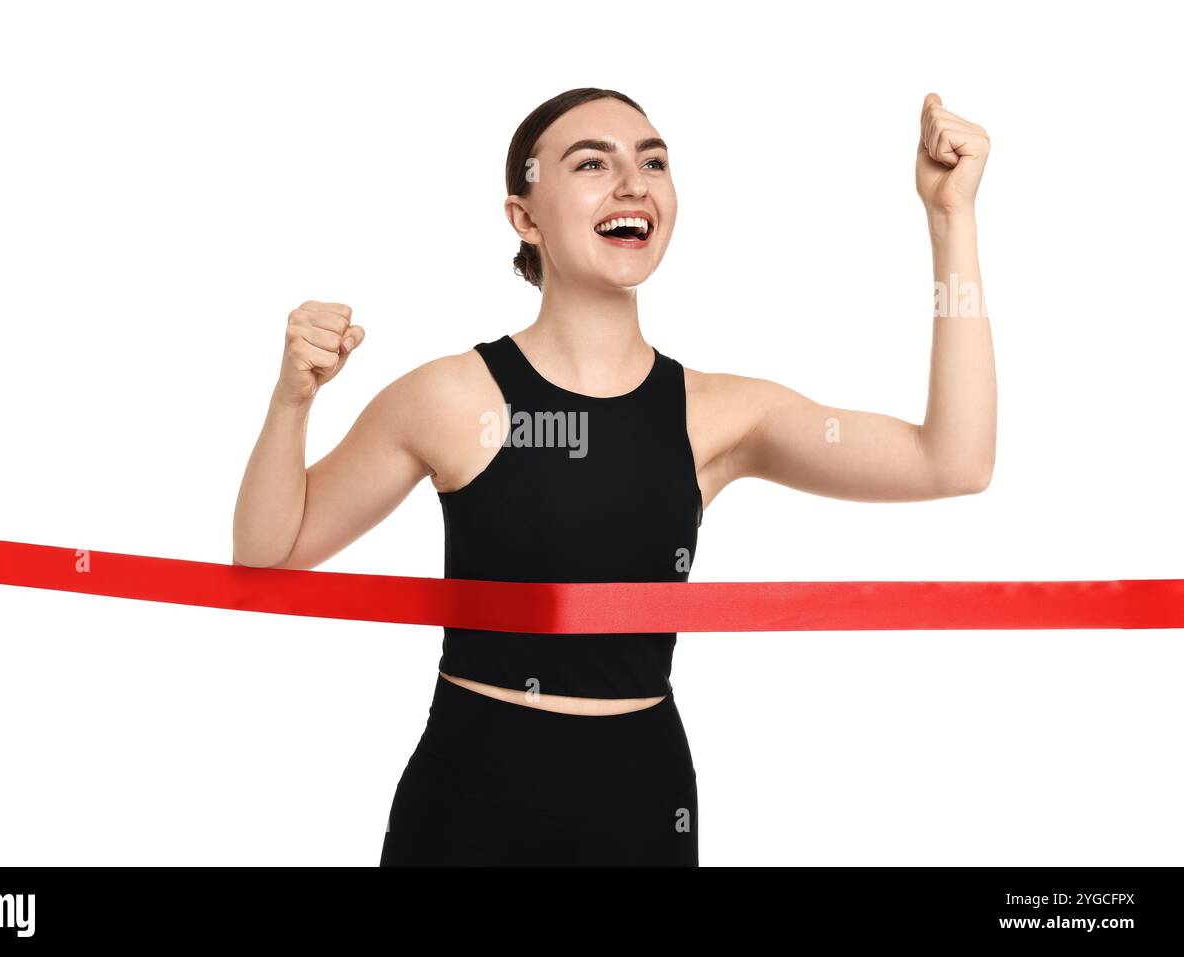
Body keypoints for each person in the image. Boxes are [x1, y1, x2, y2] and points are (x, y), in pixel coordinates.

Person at [231, 87, 995, 866]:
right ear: (524, 217)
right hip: (468, 805)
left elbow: (954, 460)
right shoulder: (449, 398)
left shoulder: (721, 414)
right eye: (592, 162)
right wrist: (293, 398)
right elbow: (268, 553)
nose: (633, 182)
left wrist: (950, 218)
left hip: (642, 805)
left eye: (653, 161)